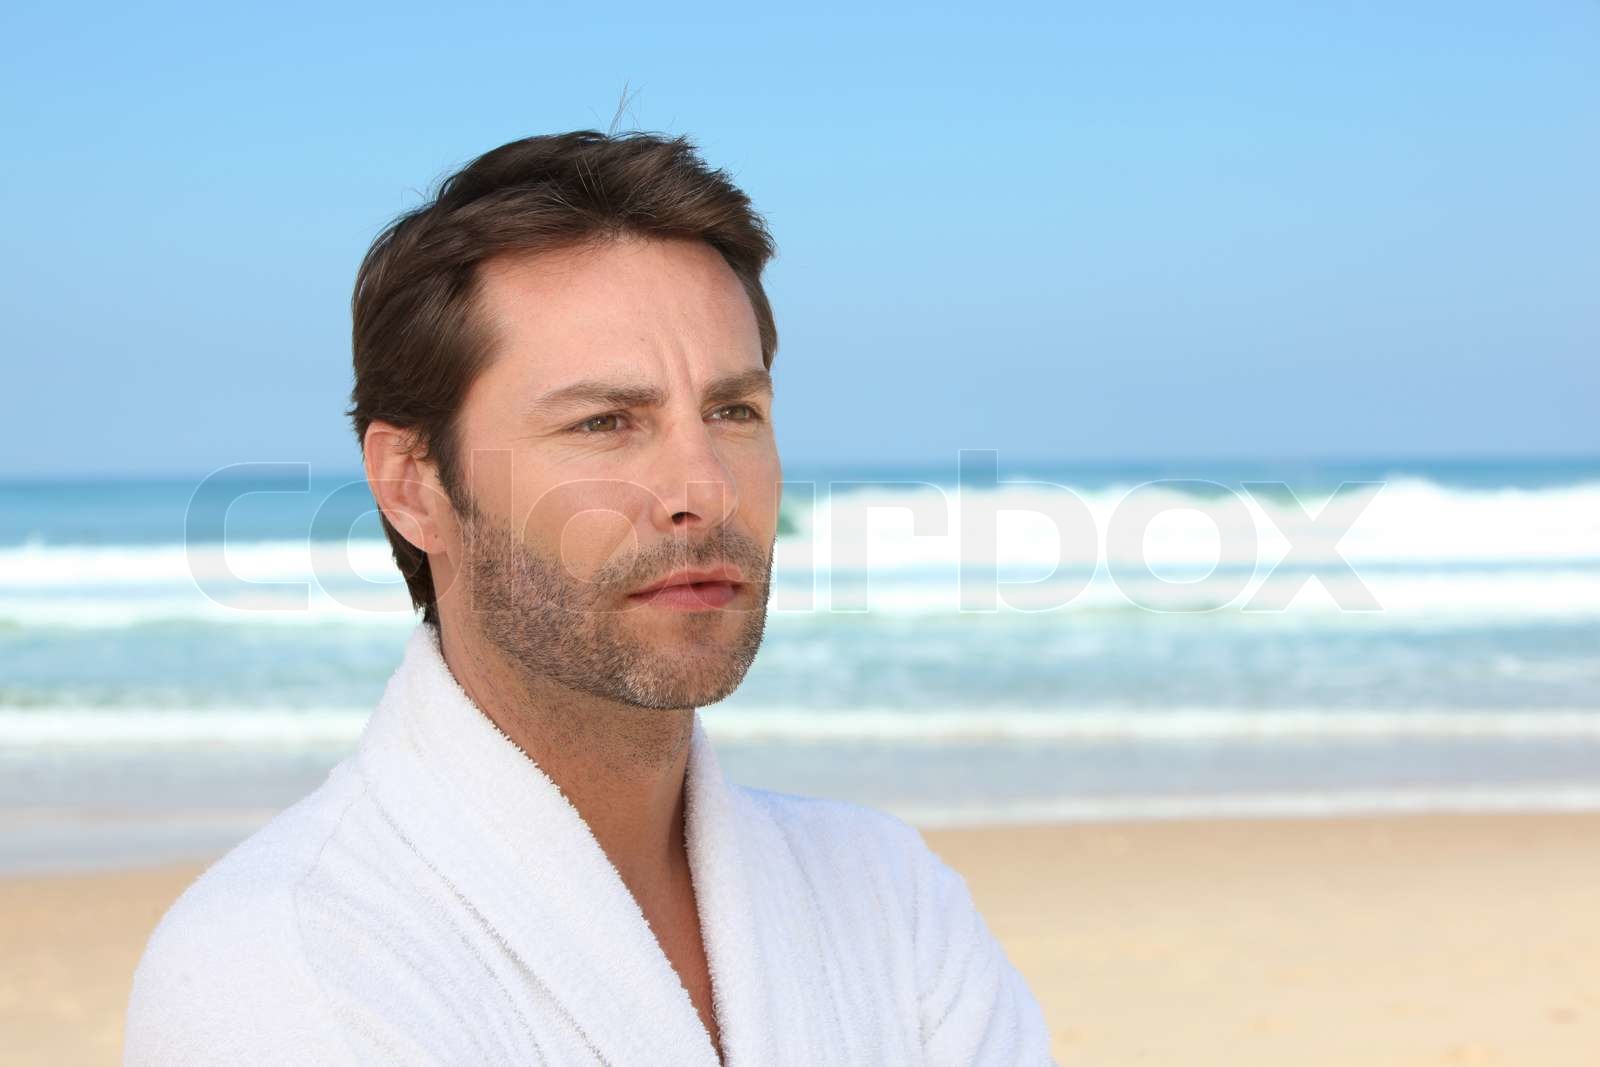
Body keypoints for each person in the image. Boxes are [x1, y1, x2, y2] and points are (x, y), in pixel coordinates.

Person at [123, 130, 1055, 1065]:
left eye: (734, 412)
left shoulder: (890, 897)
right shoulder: (283, 962)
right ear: (414, 483)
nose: (704, 487)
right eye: (605, 422)